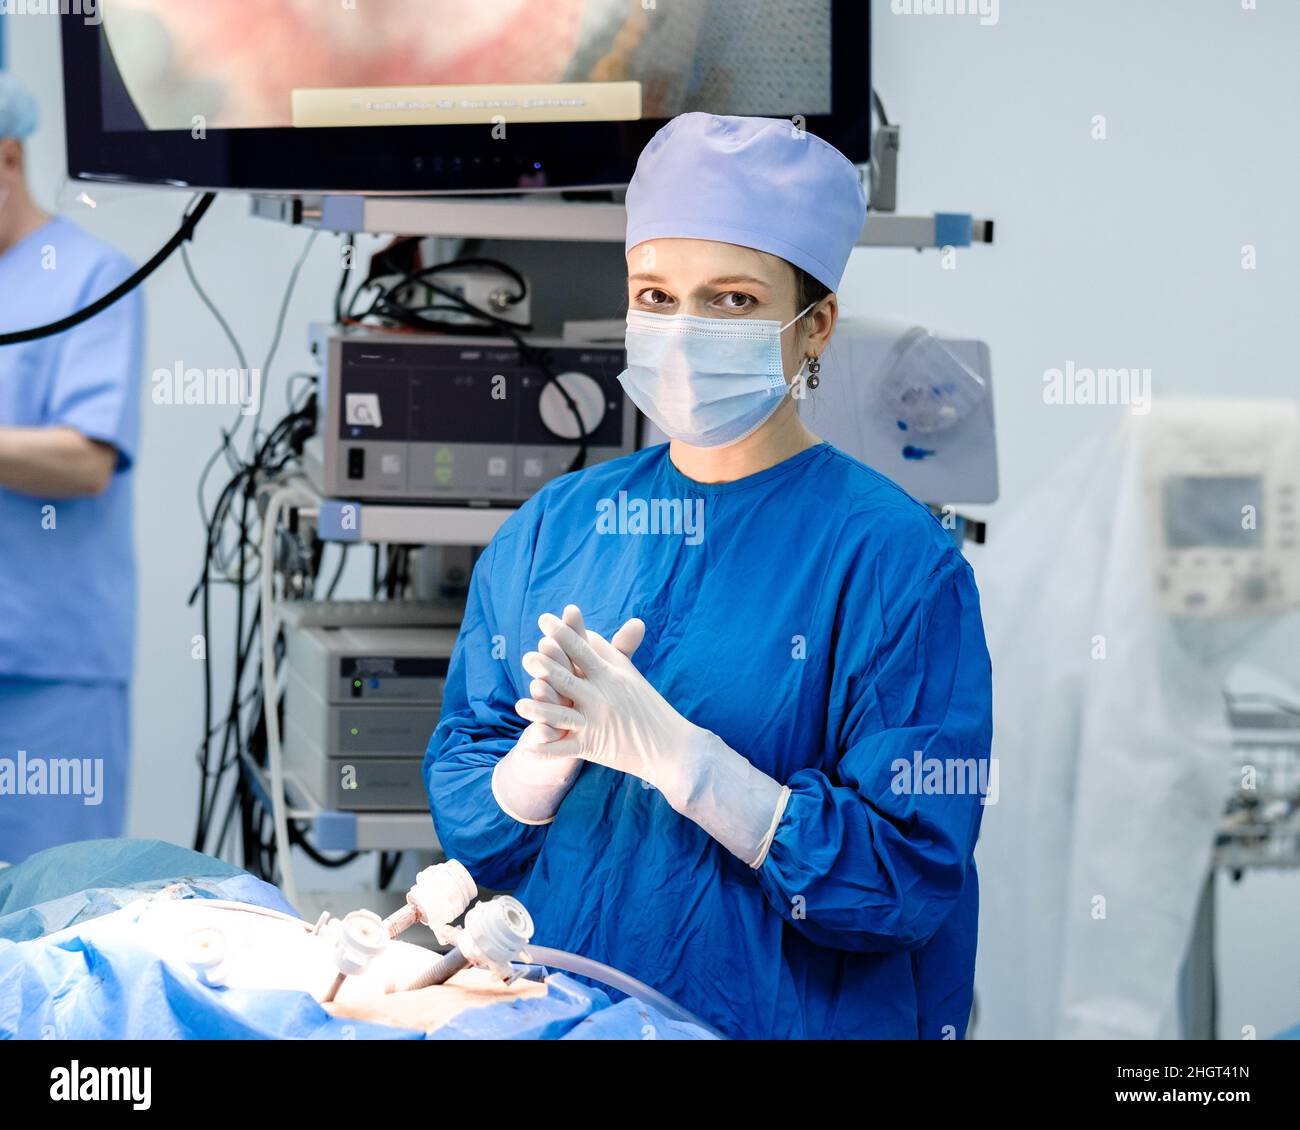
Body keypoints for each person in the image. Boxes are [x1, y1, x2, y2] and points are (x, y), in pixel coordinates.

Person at [424, 113, 993, 1039]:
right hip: (558, 1012)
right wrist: (533, 771)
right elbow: (467, 792)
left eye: (730, 300)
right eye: (654, 294)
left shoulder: (894, 563)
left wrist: (696, 771)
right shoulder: (553, 531)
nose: (682, 332)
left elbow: (905, 879)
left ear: (815, 329)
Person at [0, 74, 144, 862]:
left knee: (45, 919)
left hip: (48, 670)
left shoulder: (89, 278)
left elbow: (86, 460)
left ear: (9, 158)